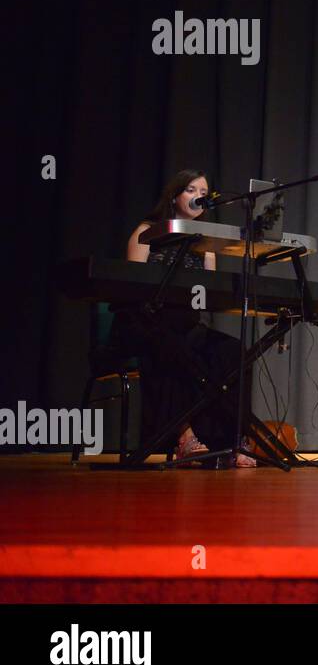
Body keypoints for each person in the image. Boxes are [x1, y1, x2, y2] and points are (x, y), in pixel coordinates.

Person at [113, 169, 254, 467]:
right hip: (144, 324)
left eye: (204, 192)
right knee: (177, 348)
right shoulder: (147, 231)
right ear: (175, 196)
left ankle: (232, 440)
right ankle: (184, 435)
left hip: (187, 325)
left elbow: (211, 293)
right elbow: (132, 288)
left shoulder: (205, 244)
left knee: (232, 351)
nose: (198, 196)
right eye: (191, 189)